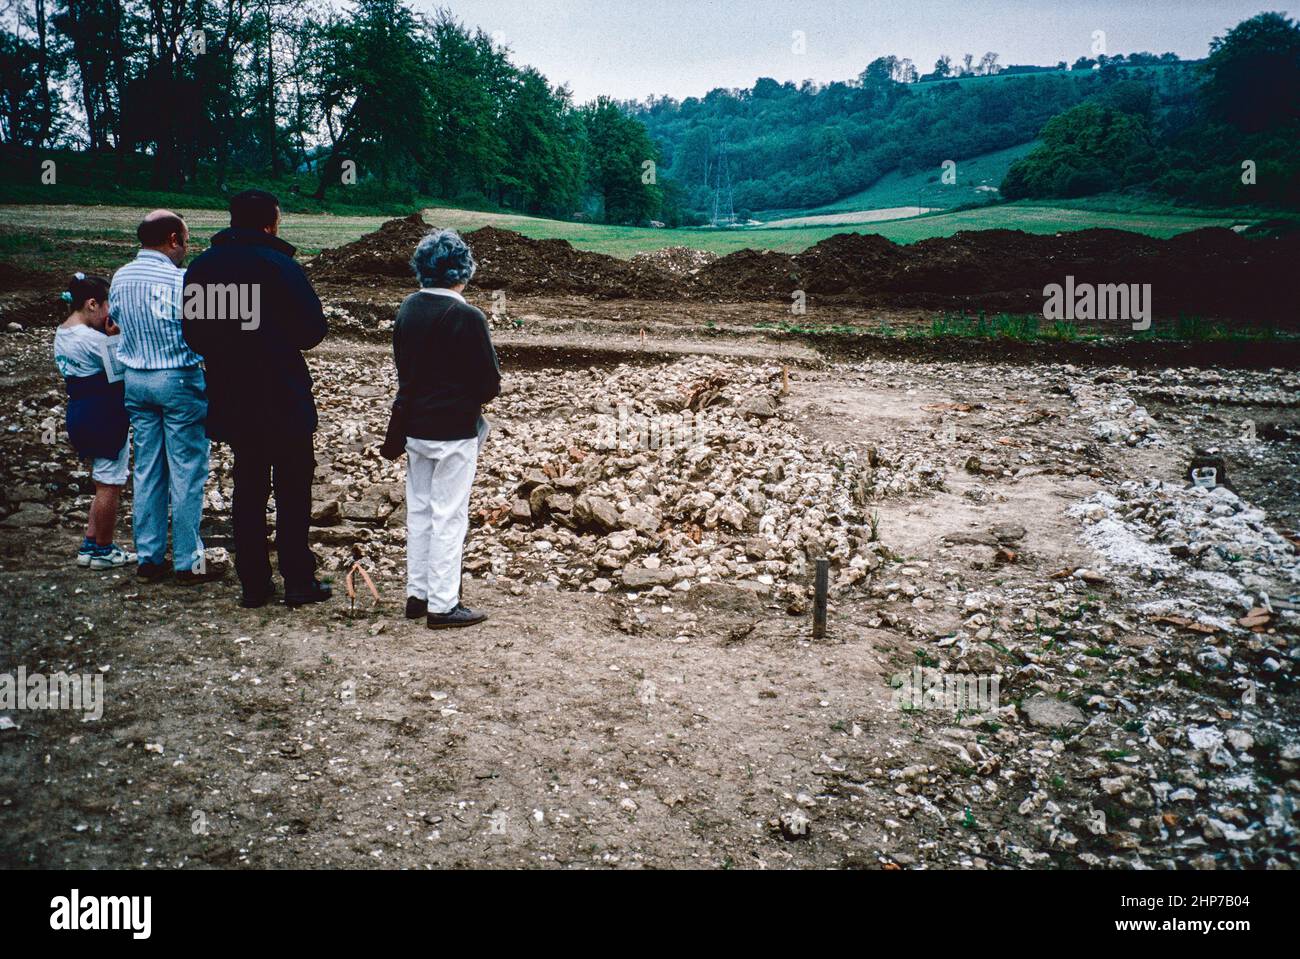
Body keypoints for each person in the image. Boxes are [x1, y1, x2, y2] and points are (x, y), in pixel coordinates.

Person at [182, 190, 331, 609]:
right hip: (282, 393)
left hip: (233, 394)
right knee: (293, 488)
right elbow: (312, 332)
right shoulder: (280, 266)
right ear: (271, 222)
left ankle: (253, 582)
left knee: (247, 487)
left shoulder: (202, 269)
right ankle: (299, 579)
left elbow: (194, 335)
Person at [383, 229, 499, 629]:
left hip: (414, 424)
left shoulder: (408, 308)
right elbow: (489, 384)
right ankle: (444, 603)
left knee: (419, 510)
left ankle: (417, 594)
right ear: (462, 271)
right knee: (450, 514)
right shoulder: (468, 317)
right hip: (454, 428)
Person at [110, 210, 213, 584]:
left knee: (147, 467)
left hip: (136, 378)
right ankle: (188, 559)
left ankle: (149, 555)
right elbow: (198, 331)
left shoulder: (121, 278)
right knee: (187, 469)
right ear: (173, 239)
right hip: (178, 378)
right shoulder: (180, 280)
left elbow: (116, 322)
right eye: (185, 238)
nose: (187, 246)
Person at [53, 273, 136, 570]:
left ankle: (91, 541)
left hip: (79, 410)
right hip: (104, 414)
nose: (108, 314)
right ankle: (103, 548)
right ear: (92, 304)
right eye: (106, 307)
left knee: (102, 478)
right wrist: (116, 339)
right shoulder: (92, 340)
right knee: (110, 484)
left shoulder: (63, 333)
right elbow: (121, 369)